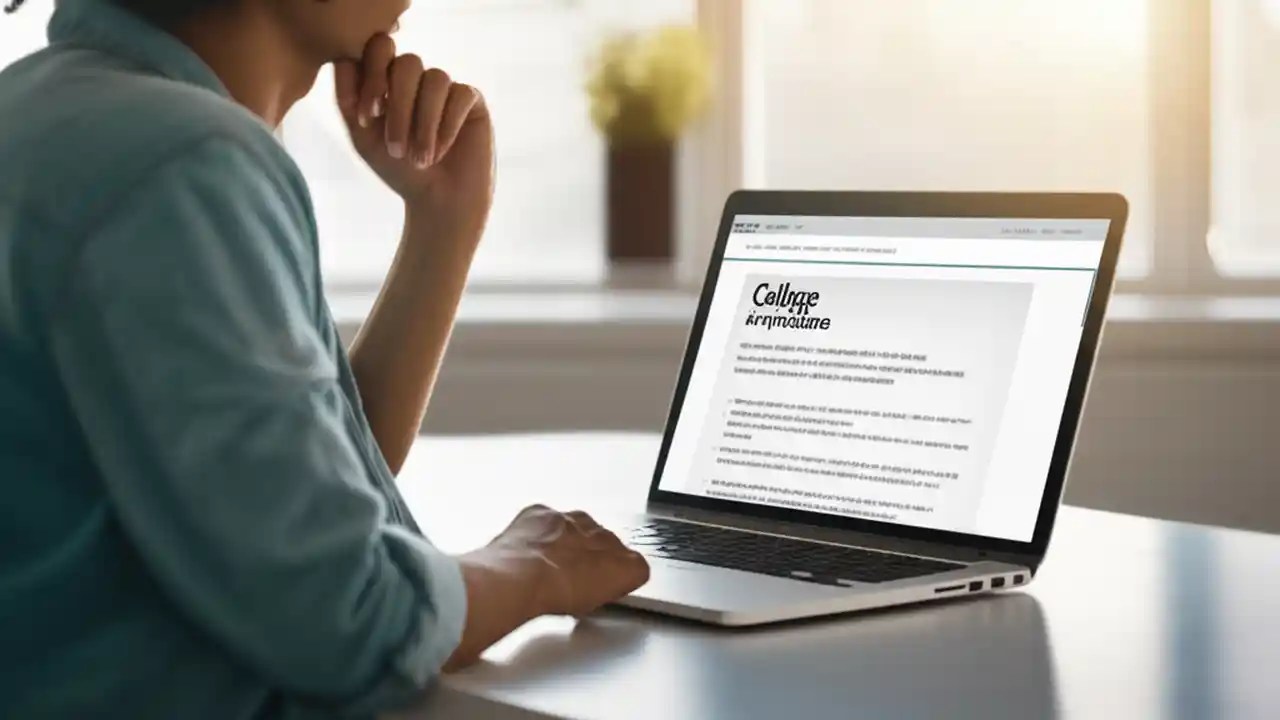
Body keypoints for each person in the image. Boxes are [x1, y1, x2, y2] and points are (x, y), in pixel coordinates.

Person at [0, 0, 649, 717]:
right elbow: (343, 614)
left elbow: (284, 489)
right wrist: (534, 566)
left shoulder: (48, 106)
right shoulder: (181, 161)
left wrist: (444, 222)